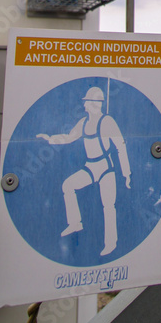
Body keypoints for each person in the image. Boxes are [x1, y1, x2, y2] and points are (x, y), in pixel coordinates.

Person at [37, 86, 131, 256]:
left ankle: (111, 243)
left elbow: (121, 146)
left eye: (87, 102)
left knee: (108, 206)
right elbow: (69, 137)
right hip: (91, 166)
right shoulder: (84, 122)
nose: (85, 105)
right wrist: (50, 139)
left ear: (96, 104)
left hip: (106, 167)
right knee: (68, 186)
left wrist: (126, 174)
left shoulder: (107, 122)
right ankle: (75, 222)